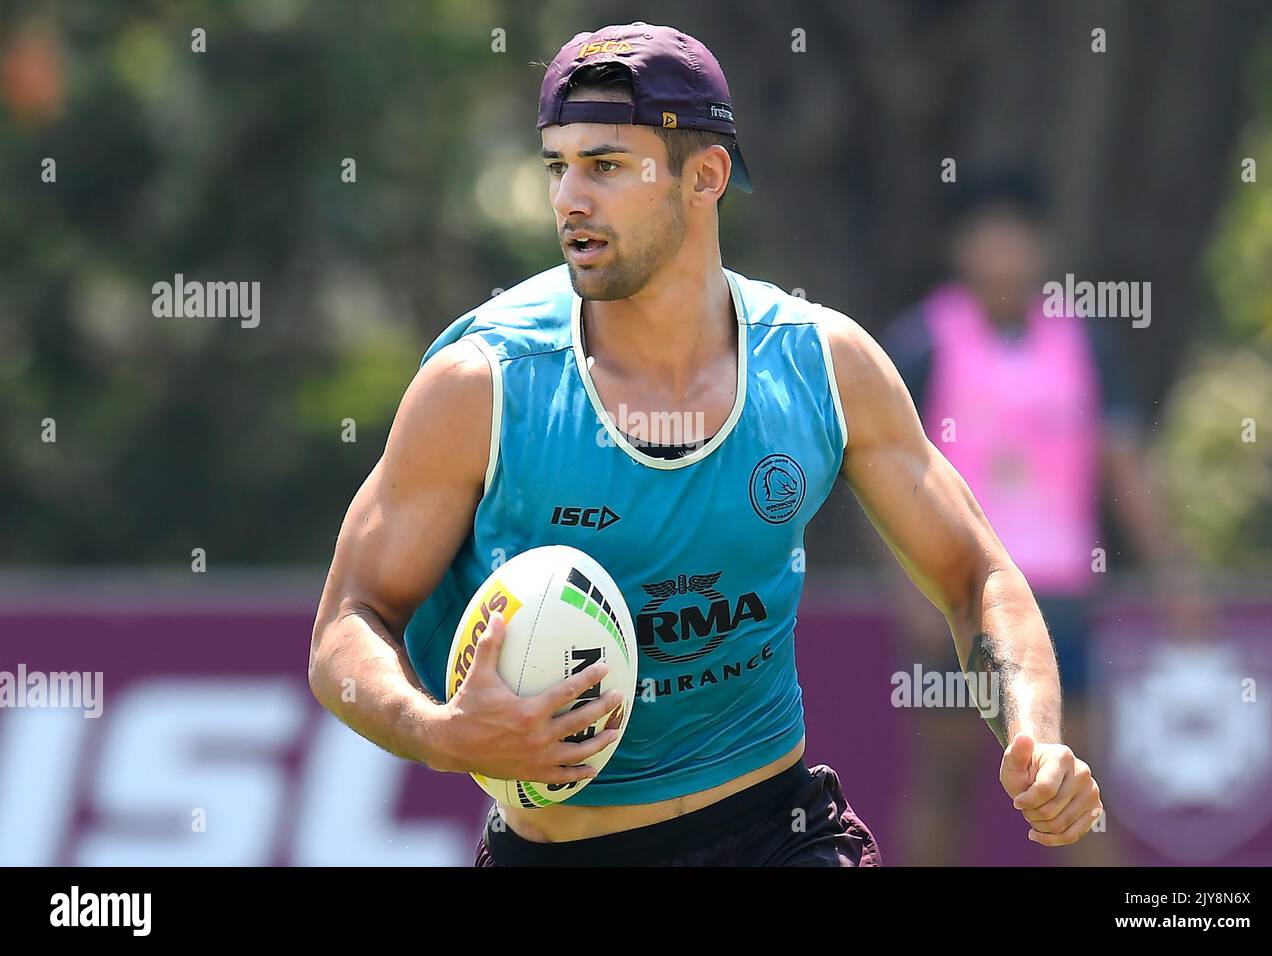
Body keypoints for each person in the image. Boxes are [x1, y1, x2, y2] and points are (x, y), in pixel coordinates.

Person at [308, 22, 1102, 866]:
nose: (569, 198)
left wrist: (1037, 736)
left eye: (606, 166)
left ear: (706, 176)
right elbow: (346, 628)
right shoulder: (484, 387)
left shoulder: (822, 365)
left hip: (777, 835)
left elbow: (976, 573)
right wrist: (442, 733)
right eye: (558, 165)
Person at [884, 168, 1193, 865]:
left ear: (1039, 247)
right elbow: (887, 474)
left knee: (1075, 784)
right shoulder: (921, 342)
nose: (1002, 253)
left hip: (1060, 598)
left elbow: (1123, 466)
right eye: (985, 237)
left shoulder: (1083, 343)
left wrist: (1173, 571)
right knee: (947, 781)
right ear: (959, 248)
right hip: (956, 595)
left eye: (1015, 237)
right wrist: (906, 585)